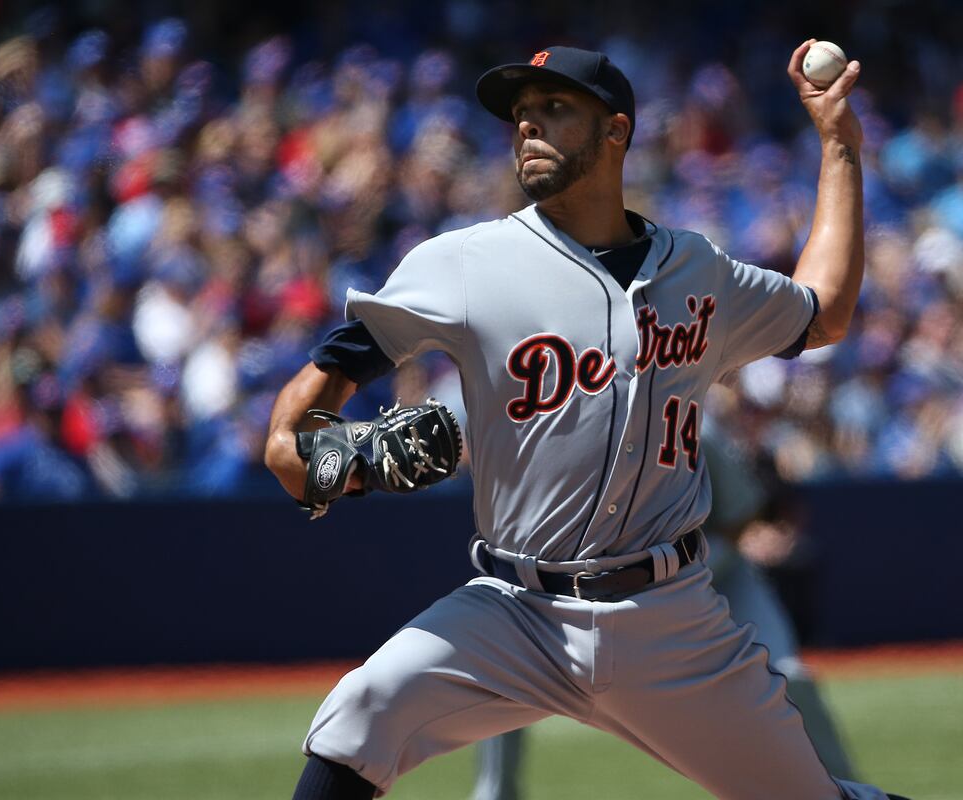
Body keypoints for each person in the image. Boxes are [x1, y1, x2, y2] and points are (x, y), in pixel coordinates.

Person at [266, 42, 907, 800]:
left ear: (616, 132)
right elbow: (294, 436)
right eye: (521, 115)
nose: (528, 127)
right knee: (362, 716)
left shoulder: (697, 271)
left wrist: (838, 143)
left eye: (555, 109)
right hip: (513, 613)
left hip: (669, 622)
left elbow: (824, 311)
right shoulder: (465, 263)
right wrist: (335, 458)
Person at [468, 417, 858, 800]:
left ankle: (843, 789)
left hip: (716, 577)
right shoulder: (559, 436)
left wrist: (688, 569)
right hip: (599, 589)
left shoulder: (692, 423)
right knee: (509, 670)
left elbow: (741, 514)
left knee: (789, 676)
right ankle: (494, 792)